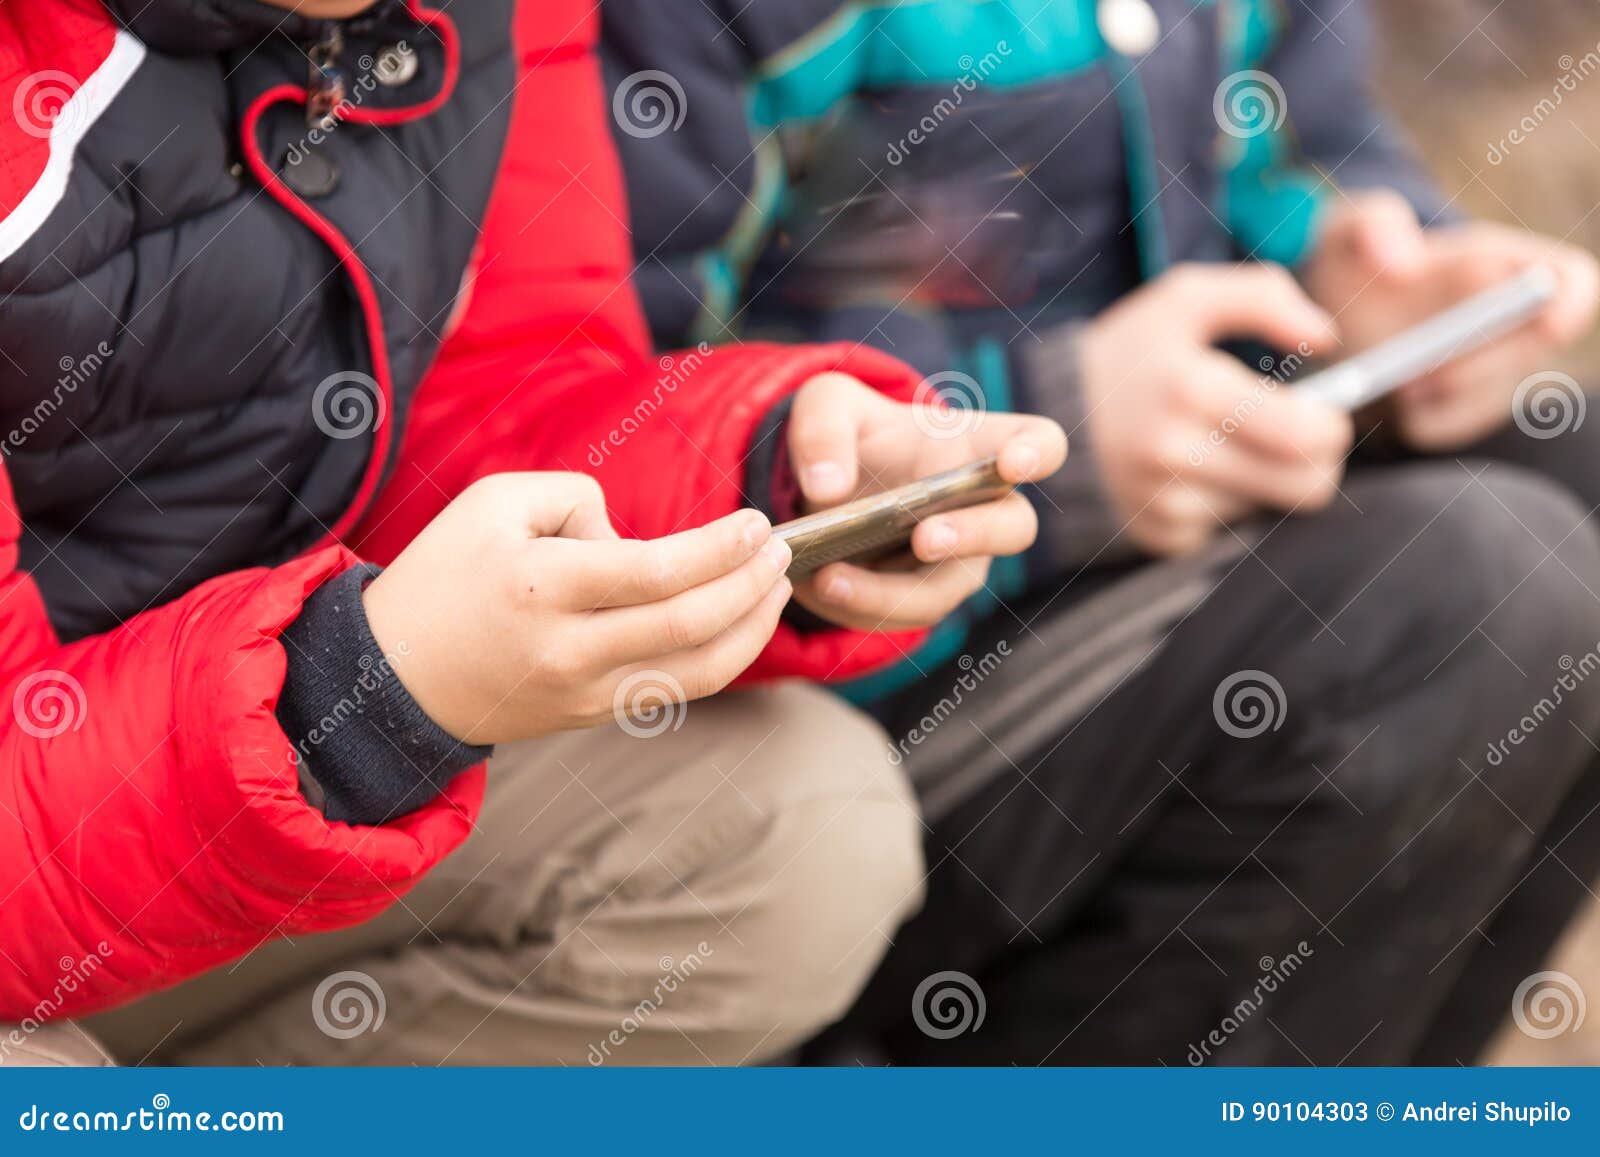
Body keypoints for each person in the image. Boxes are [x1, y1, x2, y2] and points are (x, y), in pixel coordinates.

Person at [0, 0, 1065, 1067]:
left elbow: (500, 394)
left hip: (202, 813)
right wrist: (344, 698)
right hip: (80, 835)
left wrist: (772, 470)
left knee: (796, 829)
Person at [599, 0, 1600, 1063]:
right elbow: (605, 402)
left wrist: (1360, 272)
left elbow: (1300, 141)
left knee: (1570, 483)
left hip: (1155, 558)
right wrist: (1040, 418)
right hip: (844, 684)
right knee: (1466, 590)